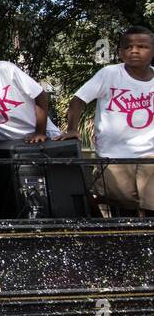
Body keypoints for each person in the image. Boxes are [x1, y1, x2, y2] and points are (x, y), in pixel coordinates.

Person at [62, 25, 154, 215]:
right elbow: (78, 100)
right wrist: (72, 129)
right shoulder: (110, 74)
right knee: (123, 205)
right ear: (120, 52)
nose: (134, 51)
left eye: (142, 46)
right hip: (115, 154)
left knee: (150, 205)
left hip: (150, 154)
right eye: (128, 47)